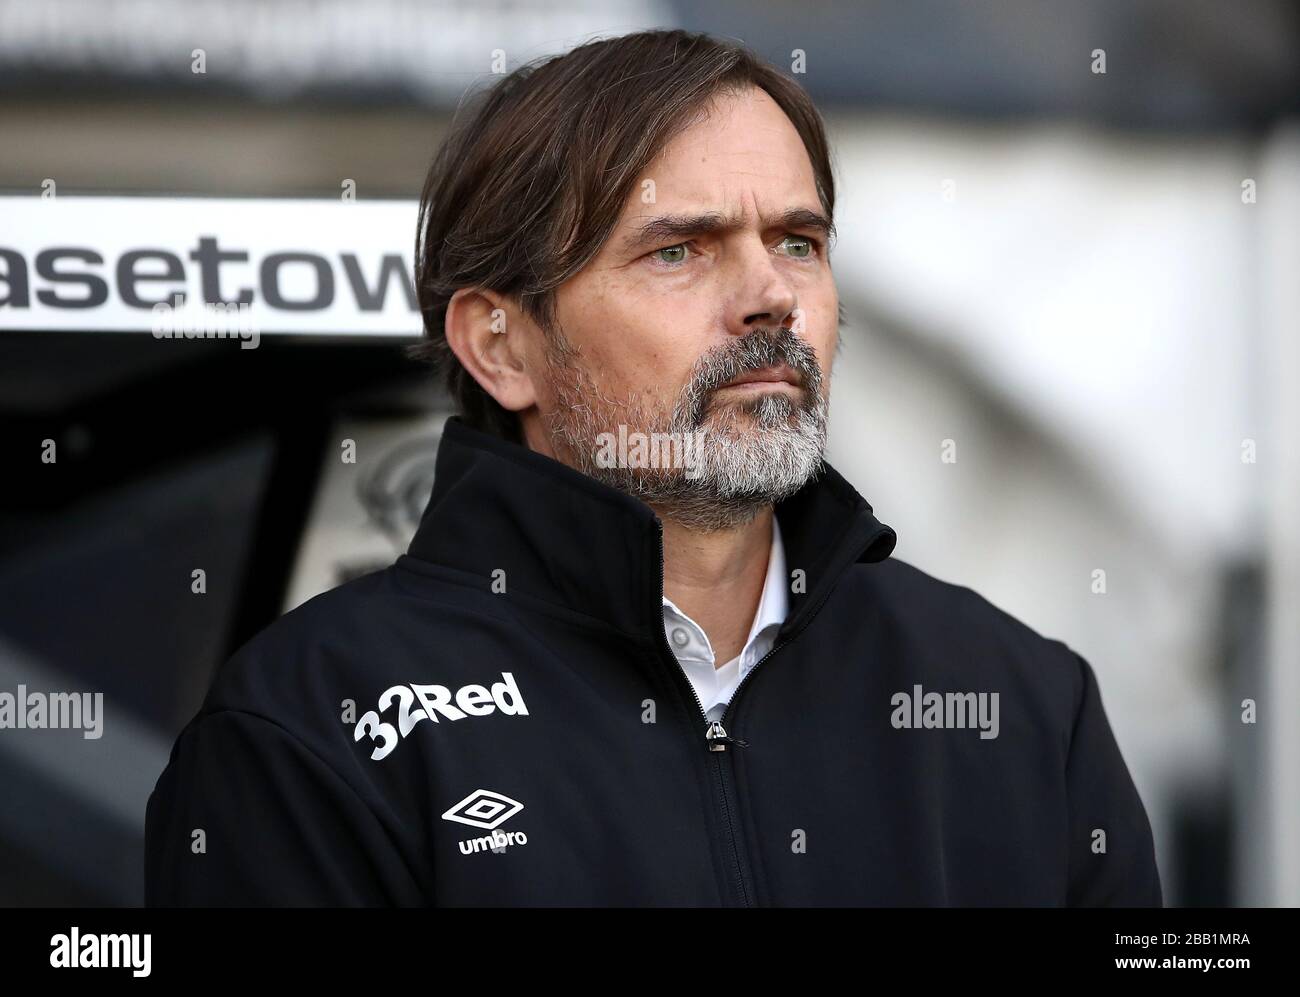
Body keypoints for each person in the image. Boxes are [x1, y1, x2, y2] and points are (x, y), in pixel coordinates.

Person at [145, 28, 1162, 906]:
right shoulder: (308, 727)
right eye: (681, 251)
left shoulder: (1018, 702)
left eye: (798, 241)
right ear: (501, 346)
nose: (769, 295)